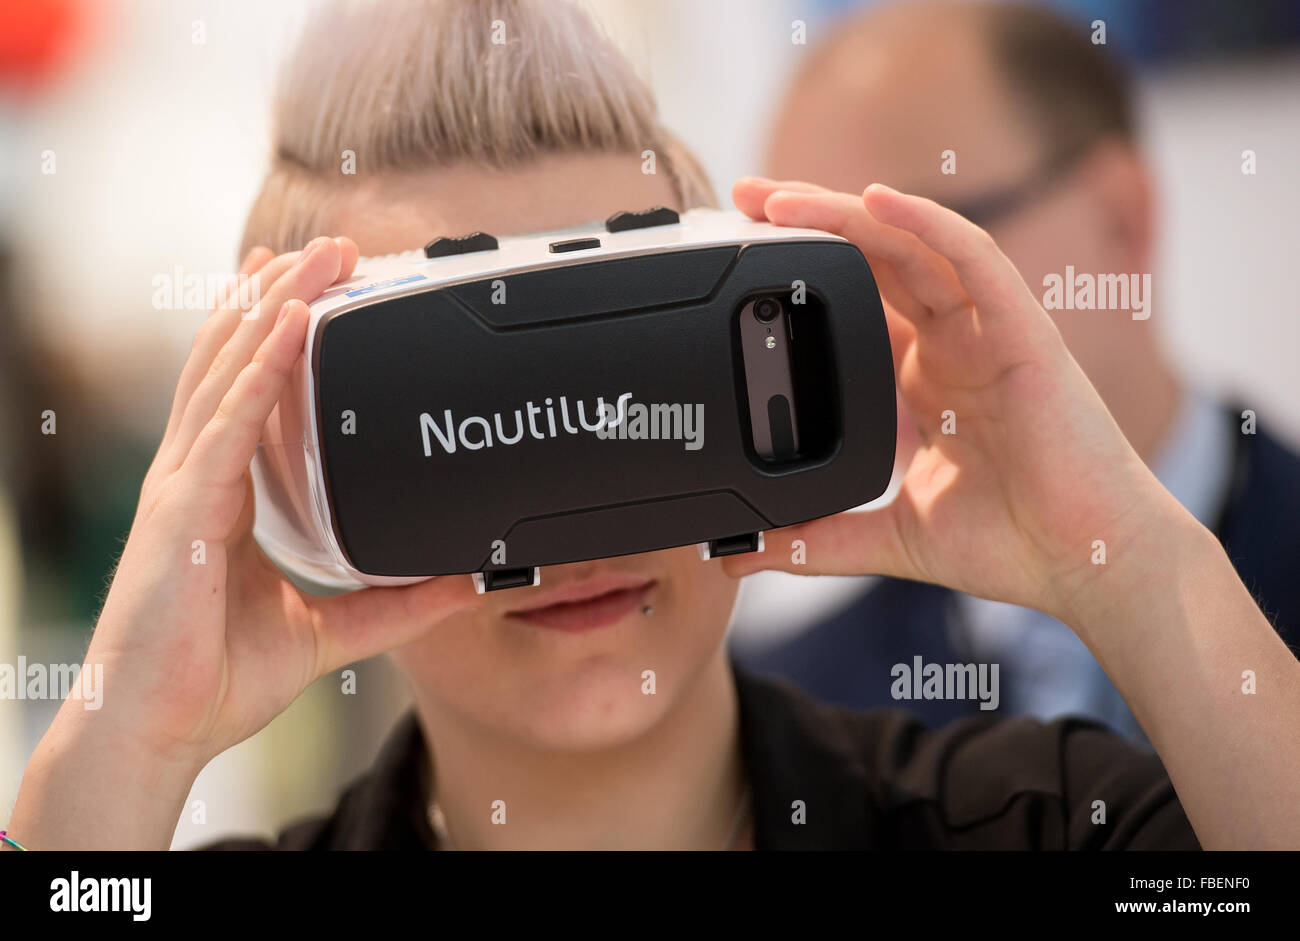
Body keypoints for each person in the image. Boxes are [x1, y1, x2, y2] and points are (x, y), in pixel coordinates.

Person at [6, 0, 1300, 852]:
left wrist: (1124, 561)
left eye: (635, 386)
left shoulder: (1026, 826)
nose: (575, 534)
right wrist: (128, 739)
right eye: (477, 417)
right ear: (295, 466)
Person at [734, 0, 1300, 739]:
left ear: (1118, 217)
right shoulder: (793, 705)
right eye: (808, 286)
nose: (854, 336)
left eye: (901, 248)